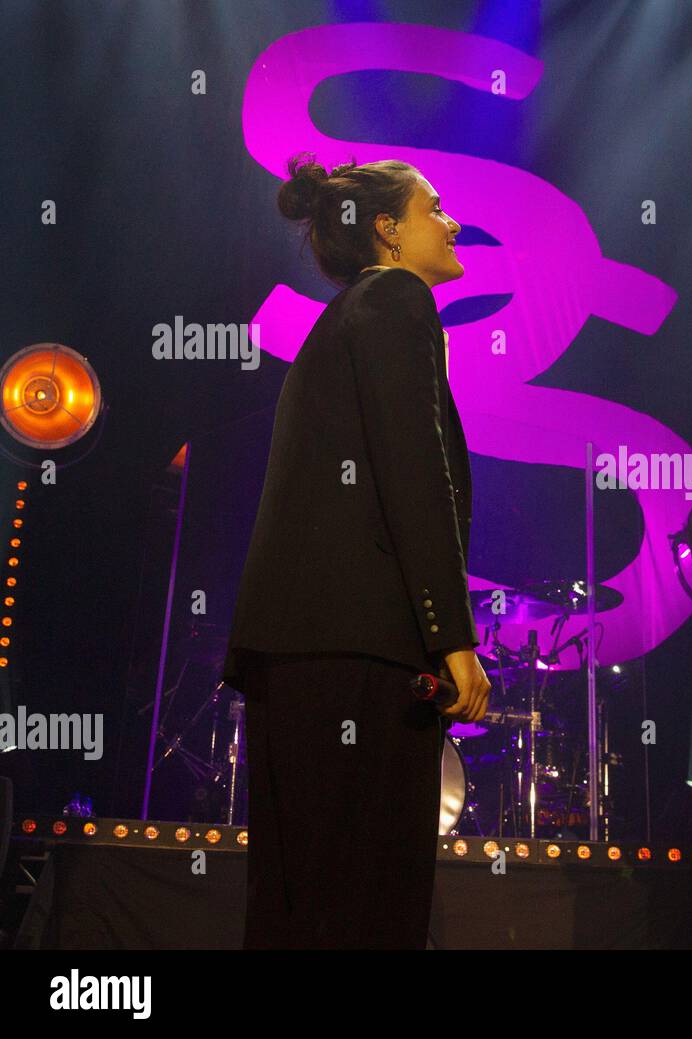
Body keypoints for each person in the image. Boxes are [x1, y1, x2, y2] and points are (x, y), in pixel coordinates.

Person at [223, 154, 491, 949]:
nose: (451, 221)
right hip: (359, 651)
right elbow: (415, 472)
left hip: (305, 650)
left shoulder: (347, 317)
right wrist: (453, 637)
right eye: (433, 207)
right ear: (387, 230)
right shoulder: (397, 298)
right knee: (368, 905)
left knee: (298, 902)